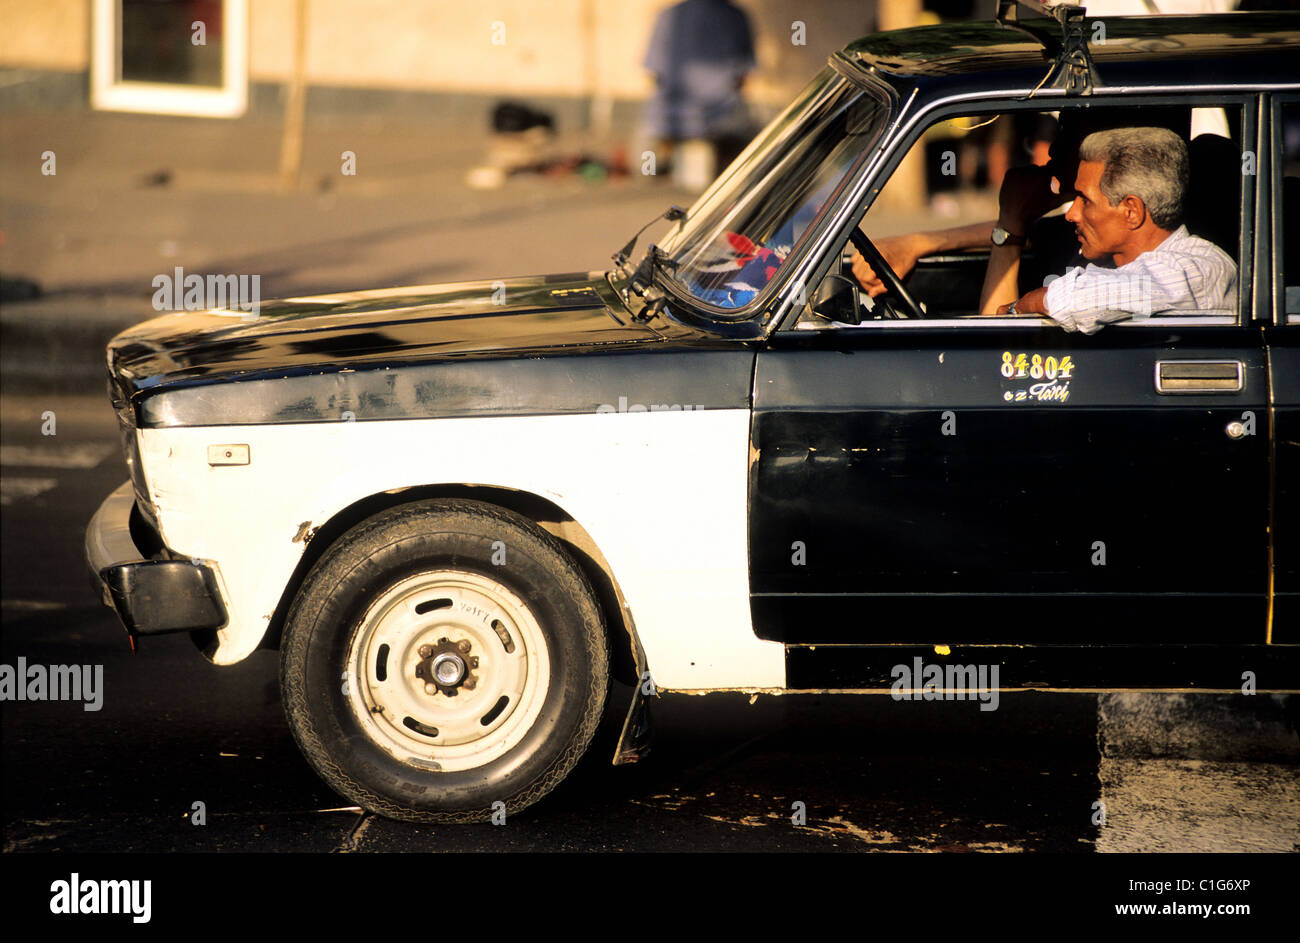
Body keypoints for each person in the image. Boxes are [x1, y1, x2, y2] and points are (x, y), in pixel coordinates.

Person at [991, 126, 1236, 333]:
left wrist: (1020, 308)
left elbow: (1075, 299)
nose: (1071, 214)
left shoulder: (1200, 269)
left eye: (1085, 200)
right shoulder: (1115, 265)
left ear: (1132, 211)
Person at [641, 0, 755, 175]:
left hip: (670, 115)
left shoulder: (667, 15)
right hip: (720, 116)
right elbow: (742, 76)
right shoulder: (735, 16)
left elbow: (655, 73)